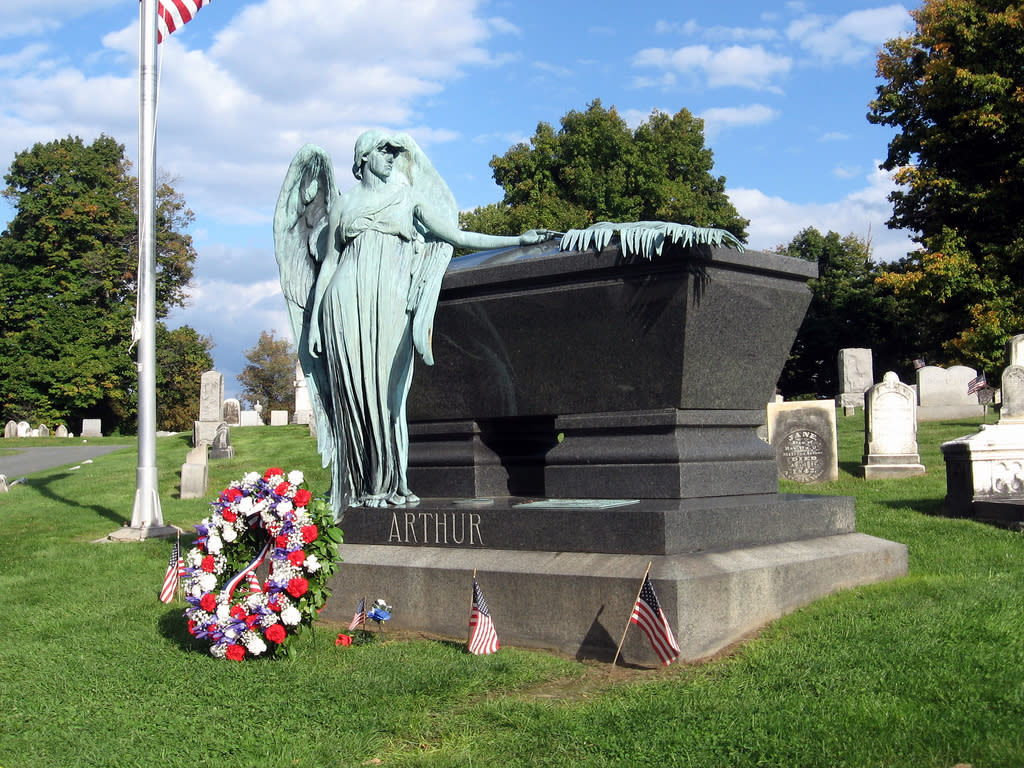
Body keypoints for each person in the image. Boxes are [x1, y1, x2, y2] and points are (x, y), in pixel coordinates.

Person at [305, 130, 548, 508]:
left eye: (393, 152)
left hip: (389, 300)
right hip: (343, 300)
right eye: (383, 152)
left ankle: (389, 482)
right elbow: (329, 263)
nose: (390, 158)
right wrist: (315, 323)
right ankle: (362, 484)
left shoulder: (407, 196)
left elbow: (456, 235)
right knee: (352, 394)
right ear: (363, 158)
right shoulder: (343, 205)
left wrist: (517, 240)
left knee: (387, 393)